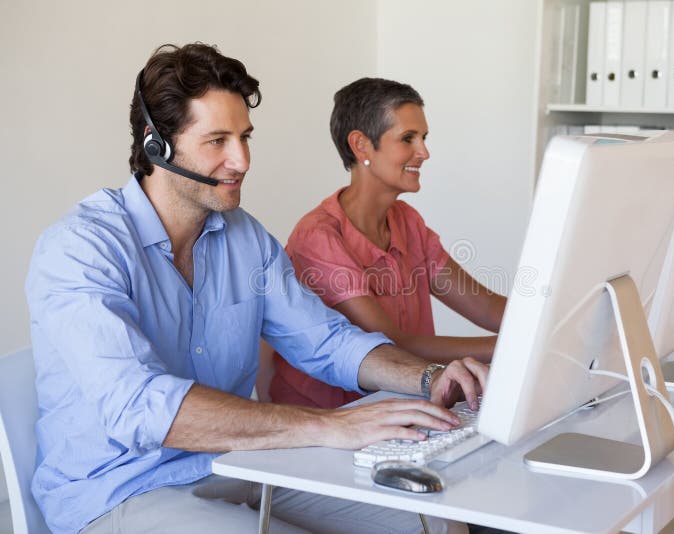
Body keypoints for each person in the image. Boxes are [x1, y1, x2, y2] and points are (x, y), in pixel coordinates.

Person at [25, 43, 486, 534]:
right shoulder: (80, 248)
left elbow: (326, 341)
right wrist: (328, 426)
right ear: (156, 145)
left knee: (437, 522)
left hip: (235, 461)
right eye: (217, 141)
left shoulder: (244, 237)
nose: (241, 160)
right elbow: (140, 406)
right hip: (121, 489)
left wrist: (429, 378)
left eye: (244, 137)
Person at [267, 77, 506, 409]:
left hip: (402, 404)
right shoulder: (319, 237)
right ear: (361, 145)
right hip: (331, 416)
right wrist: (511, 346)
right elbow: (392, 344)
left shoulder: (407, 221)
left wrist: (556, 322)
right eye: (408, 138)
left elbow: (486, 307)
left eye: (423, 138)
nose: (424, 152)